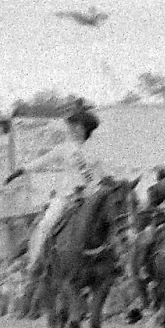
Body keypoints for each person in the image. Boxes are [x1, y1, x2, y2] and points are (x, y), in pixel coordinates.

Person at [21, 99, 105, 302]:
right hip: (64, 198)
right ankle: (35, 265)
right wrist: (21, 170)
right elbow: (42, 161)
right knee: (44, 225)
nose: (74, 130)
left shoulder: (95, 152)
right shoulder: (64, 148)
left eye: (77, 126)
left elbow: (100, 178)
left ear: (85, 129)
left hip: (87, 199)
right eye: (72, 126)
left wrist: (97, 189)